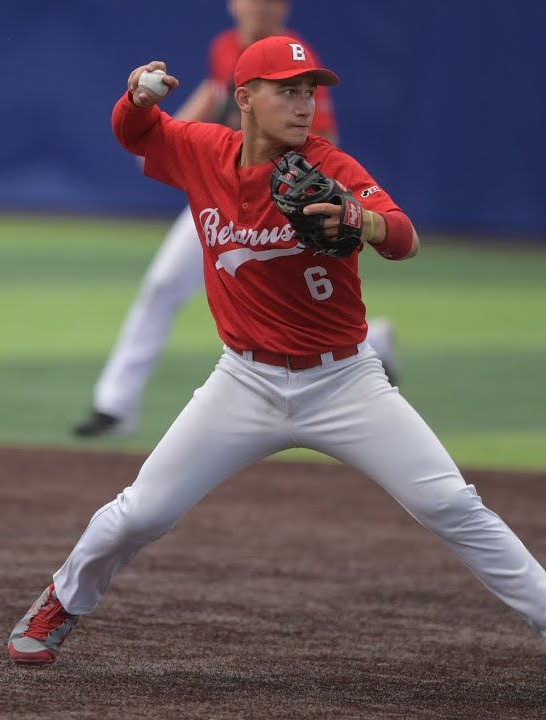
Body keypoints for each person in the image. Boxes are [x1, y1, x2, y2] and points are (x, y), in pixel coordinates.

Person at [10, 38, 546, 695]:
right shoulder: (203, 151)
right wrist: (136, 97)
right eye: (286, 90)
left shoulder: (328, 165)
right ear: (244, 99)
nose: (303, 102)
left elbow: (404, 237)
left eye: (308, 90)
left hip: (345, 381)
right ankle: (59, 603)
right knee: (144, 512)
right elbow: (135, 132)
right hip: (245, 382)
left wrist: (362, 223)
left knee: (451, 502)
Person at [72, 0, 398, 439]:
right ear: (234, 5)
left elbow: (324, 138)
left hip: (282, 200)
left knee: (293, 302)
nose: (259, 9)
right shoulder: (226, 48)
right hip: (223, 188)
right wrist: (168, 128)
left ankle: (370, 341)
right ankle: (114, 405)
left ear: (284, 8)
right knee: (163, 285)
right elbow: (216, 93)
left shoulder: (298, 59)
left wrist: (322, 194)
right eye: (252, 0)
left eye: (270, 2)